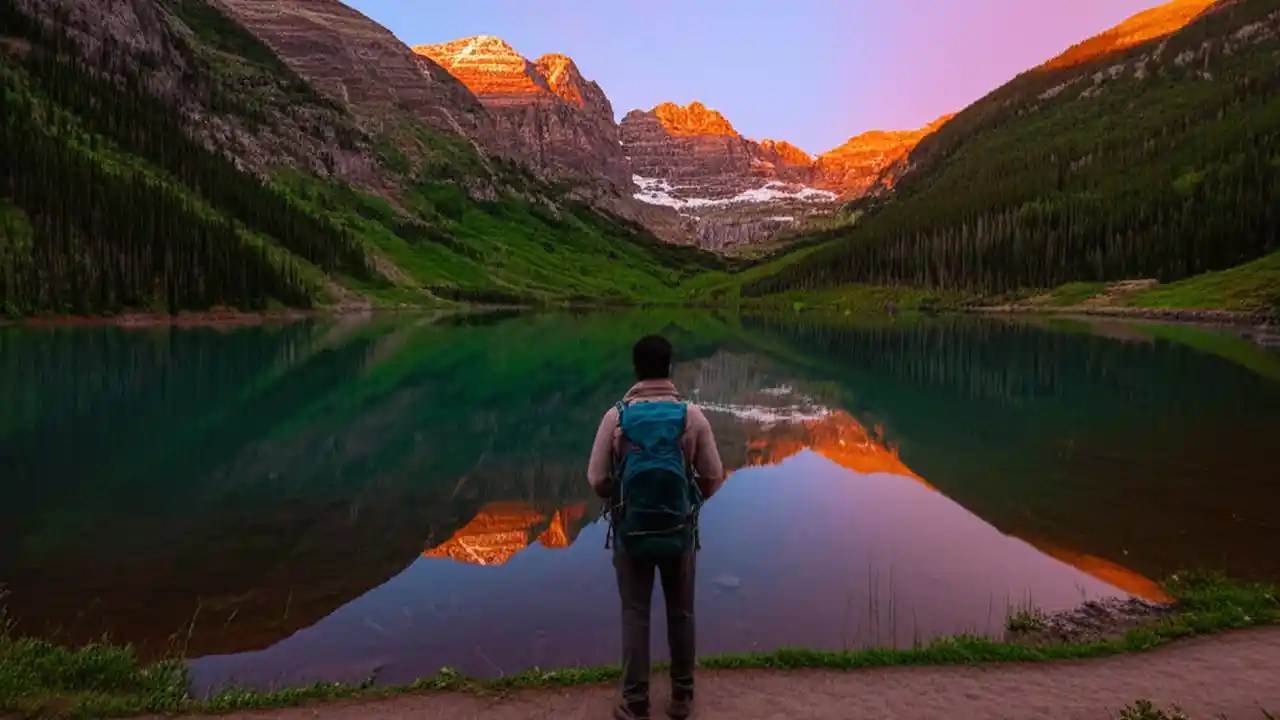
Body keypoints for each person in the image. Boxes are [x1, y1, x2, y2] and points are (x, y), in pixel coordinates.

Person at [588, 335, 724, 720]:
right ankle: (682, 698)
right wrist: (689, 505)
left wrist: (620, 504)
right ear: (669, 368)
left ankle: (635, 702)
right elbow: (714, 475)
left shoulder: (616, 418)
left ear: (636, 369)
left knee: (636, 613)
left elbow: (597, 477)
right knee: (681, 613)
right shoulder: (691, 415)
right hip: (678, 532)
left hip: (631, 533)